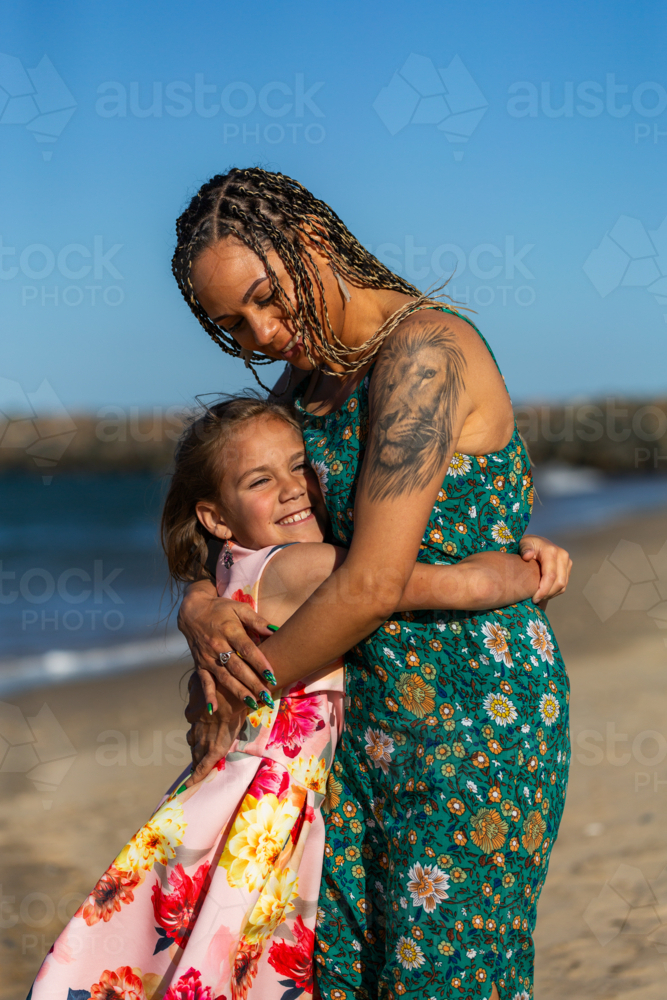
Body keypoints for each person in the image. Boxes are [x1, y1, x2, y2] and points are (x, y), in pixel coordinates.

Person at [173, 169, 571, 1000]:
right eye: (232, 325)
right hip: (349, 722)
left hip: (471, 723)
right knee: (348, 978)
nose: (262, 333)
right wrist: (200, 603)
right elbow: (218, 510)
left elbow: (371, 583)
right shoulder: (308, 377)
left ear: (313, 241)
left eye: (267, 297)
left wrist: (235, 700)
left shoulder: (424, 352)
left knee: (443, 981)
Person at [28, 396, 556, 1000]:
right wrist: (534, 566)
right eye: (259, 480)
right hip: (264, 811)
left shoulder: (234, 567)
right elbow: (462, 585)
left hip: (230, 796)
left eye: (300, 465)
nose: (292, 489)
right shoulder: (299, 565)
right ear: (217, 518)